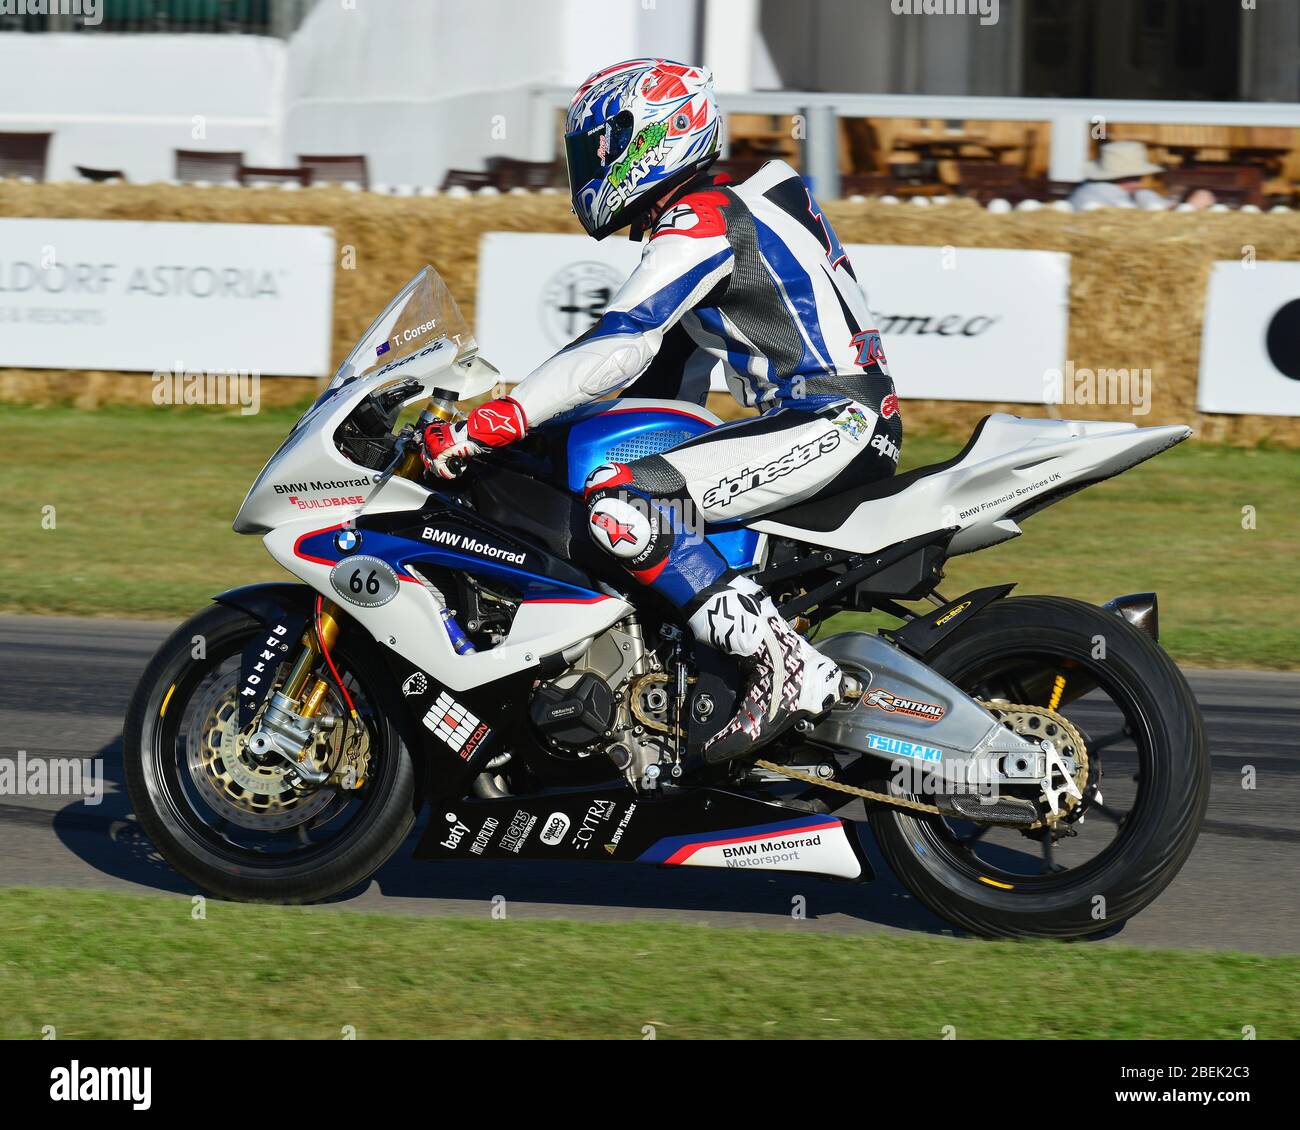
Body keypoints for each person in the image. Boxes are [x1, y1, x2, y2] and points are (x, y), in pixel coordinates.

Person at [421, 58, 901, 761]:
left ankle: (782, 664)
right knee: (623, 477)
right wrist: (530, 446)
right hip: (824, 419)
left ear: (649, 137)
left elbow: (621, 344)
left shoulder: (705, 216)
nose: (588, 168)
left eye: (599, 150)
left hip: (832, 420)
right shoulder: (725, 208)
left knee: (626, 507)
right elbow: (664, 389)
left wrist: (499, 420)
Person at [1068, 140, 1215, 211]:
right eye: (1140, 176)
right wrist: (1190, 207)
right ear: (1130, 178)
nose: (1142, 180)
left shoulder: (1095, 191)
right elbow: (1146, 231)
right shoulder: (1097, 197)